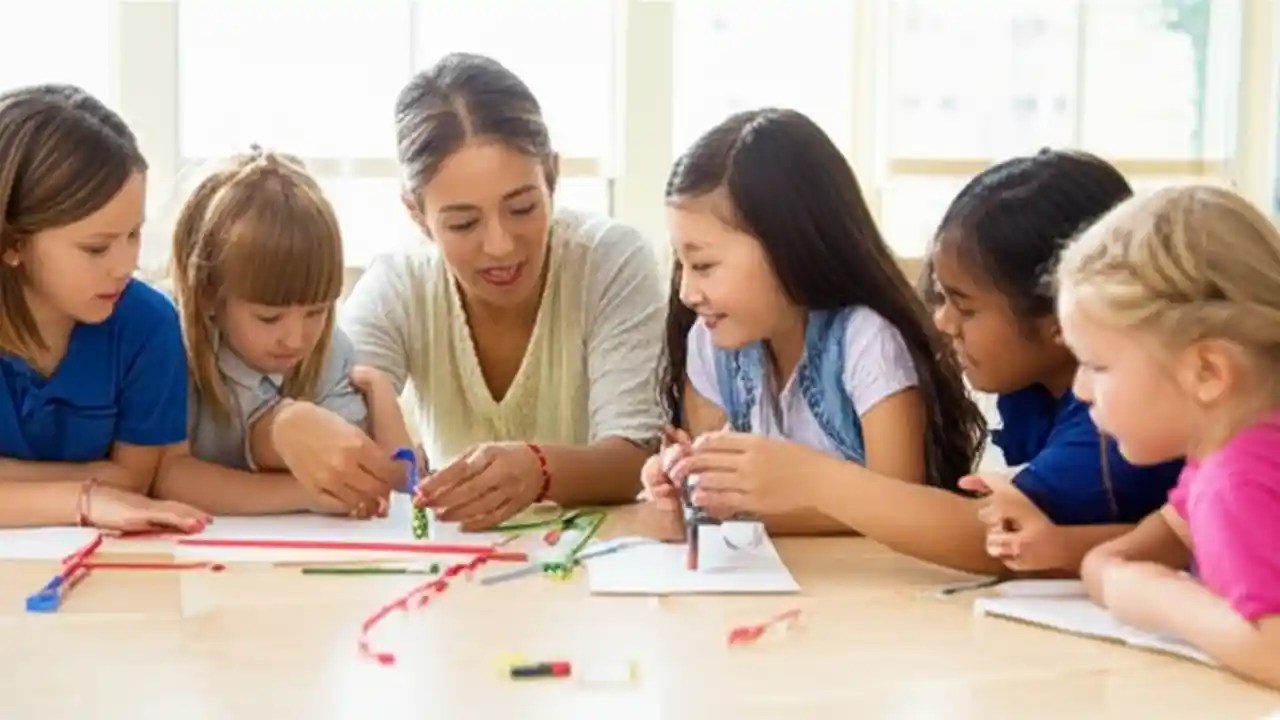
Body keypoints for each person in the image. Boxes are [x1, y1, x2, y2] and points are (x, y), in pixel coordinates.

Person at [650, 149, 1180, 575]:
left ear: (1058, 317)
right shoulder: (1032, 391)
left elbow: (991, 538)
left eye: (965, 307)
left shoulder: (1110, 421)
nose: (944, 323)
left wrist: (810, 479)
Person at [340, 53, 665, 531]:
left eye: (522, 207)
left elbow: (635, 453)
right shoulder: (399, 284)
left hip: (593, 564)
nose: (500, 245)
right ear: (416, 214)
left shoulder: (608, 261)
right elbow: (339, 425)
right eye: (463, 223)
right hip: (458, 569)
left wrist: (539, 469)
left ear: (552, 177)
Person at [641, 108, 984, 535]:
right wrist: (684, 485)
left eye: (704, 265)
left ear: (787, 246)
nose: (686, 293)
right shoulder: (710, 343)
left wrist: (743, 510)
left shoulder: (864, 340)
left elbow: (899, 504)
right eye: (682, 263)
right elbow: (712, 486)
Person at [1069, 186, 1280, 688]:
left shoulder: (1238, 480)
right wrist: (1122, 577)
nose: (1080, 389)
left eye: (1098, 365)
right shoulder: (1223, 458)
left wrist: (1162, 600)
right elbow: (1124, 559)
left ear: (1206, 371)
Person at [154, 149, 411, 516]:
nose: (296, 339)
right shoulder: (168, 337)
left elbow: (373, 478)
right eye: (268, 318)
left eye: (316, 311)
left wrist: (381, 395)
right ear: (209, 294)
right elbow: (166, 479)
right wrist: (305, 491)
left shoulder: (331, 350)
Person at [0, 84, 209, 532]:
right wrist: (83, 497)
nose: (124, 266)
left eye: (133, 235)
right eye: (96, 248)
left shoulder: (148, 325)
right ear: (13, 244)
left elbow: (134, 478)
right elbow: (116, 481)